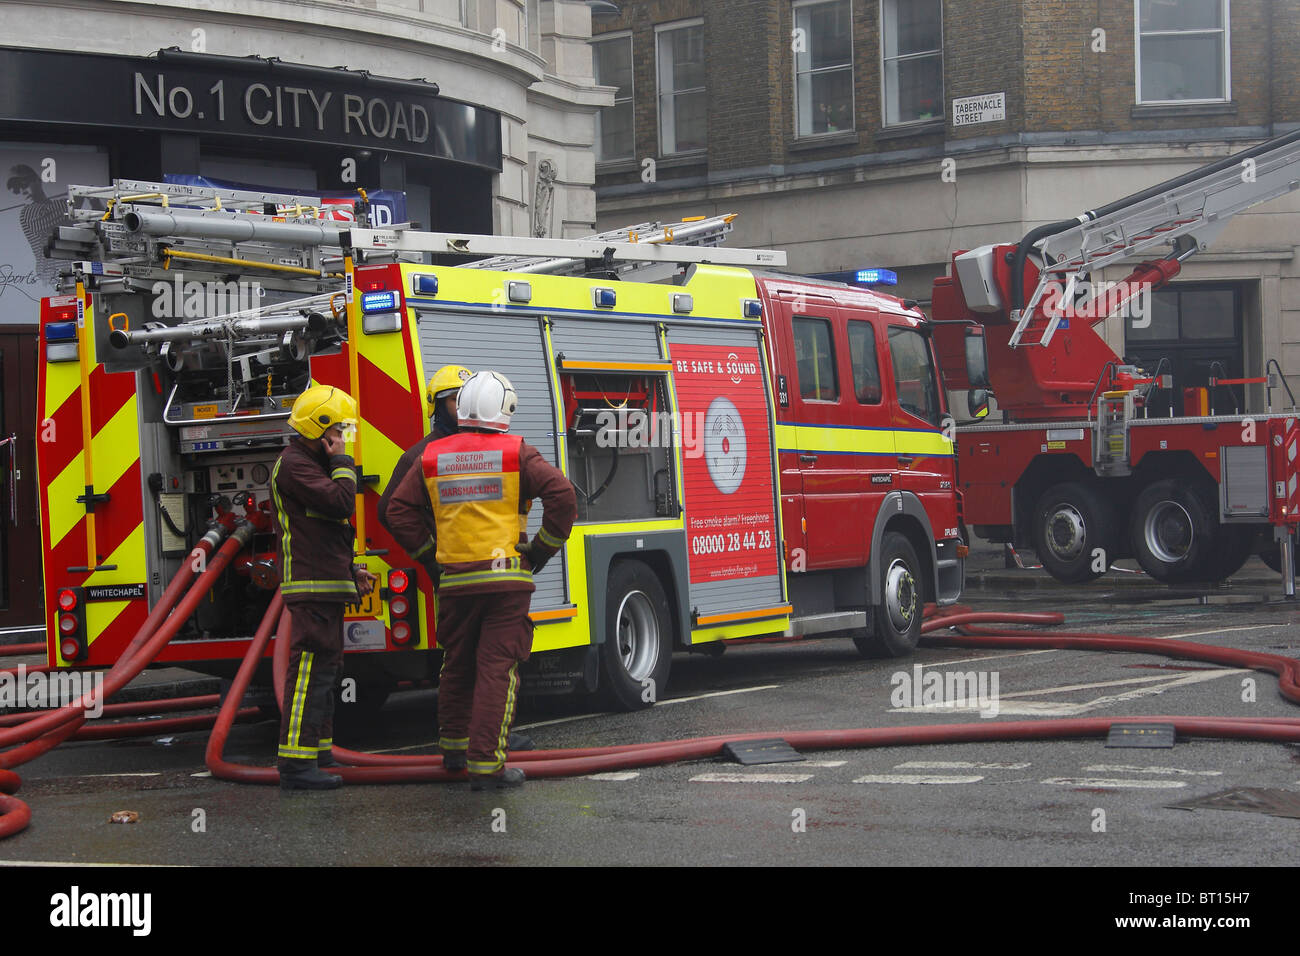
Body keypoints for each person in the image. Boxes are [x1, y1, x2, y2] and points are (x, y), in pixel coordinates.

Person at [384, 371, 576, 790]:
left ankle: (453, 750)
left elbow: (395, 511)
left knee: (457, 665)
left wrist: (428, 557)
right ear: (504, 409)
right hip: (505, 583)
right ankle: (486, 765)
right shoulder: (518, 452)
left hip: (454, 584)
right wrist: (541, 550)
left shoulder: (431, 457)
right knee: (496, 669)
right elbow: (563, 496)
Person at [272, 384, 377, 790]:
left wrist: (352, 570)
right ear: (323, 430)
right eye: (341, 430)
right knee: (308, 671)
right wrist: (343, 459)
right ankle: (296, 764)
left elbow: (330, 529)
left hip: (328, 582)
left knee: (327, 671)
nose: (346, 436)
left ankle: (318, 752)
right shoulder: (296, 465)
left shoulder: (311, 464)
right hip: (311, 586)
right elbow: (340, 503)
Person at [376, 363, 471, 535]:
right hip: (447, 558)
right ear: (439, 405)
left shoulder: (484, 447)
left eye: (467, 398)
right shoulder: (418, 456)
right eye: (455, 399)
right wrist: (426, 551)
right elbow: (387, 511)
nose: (463, 406)